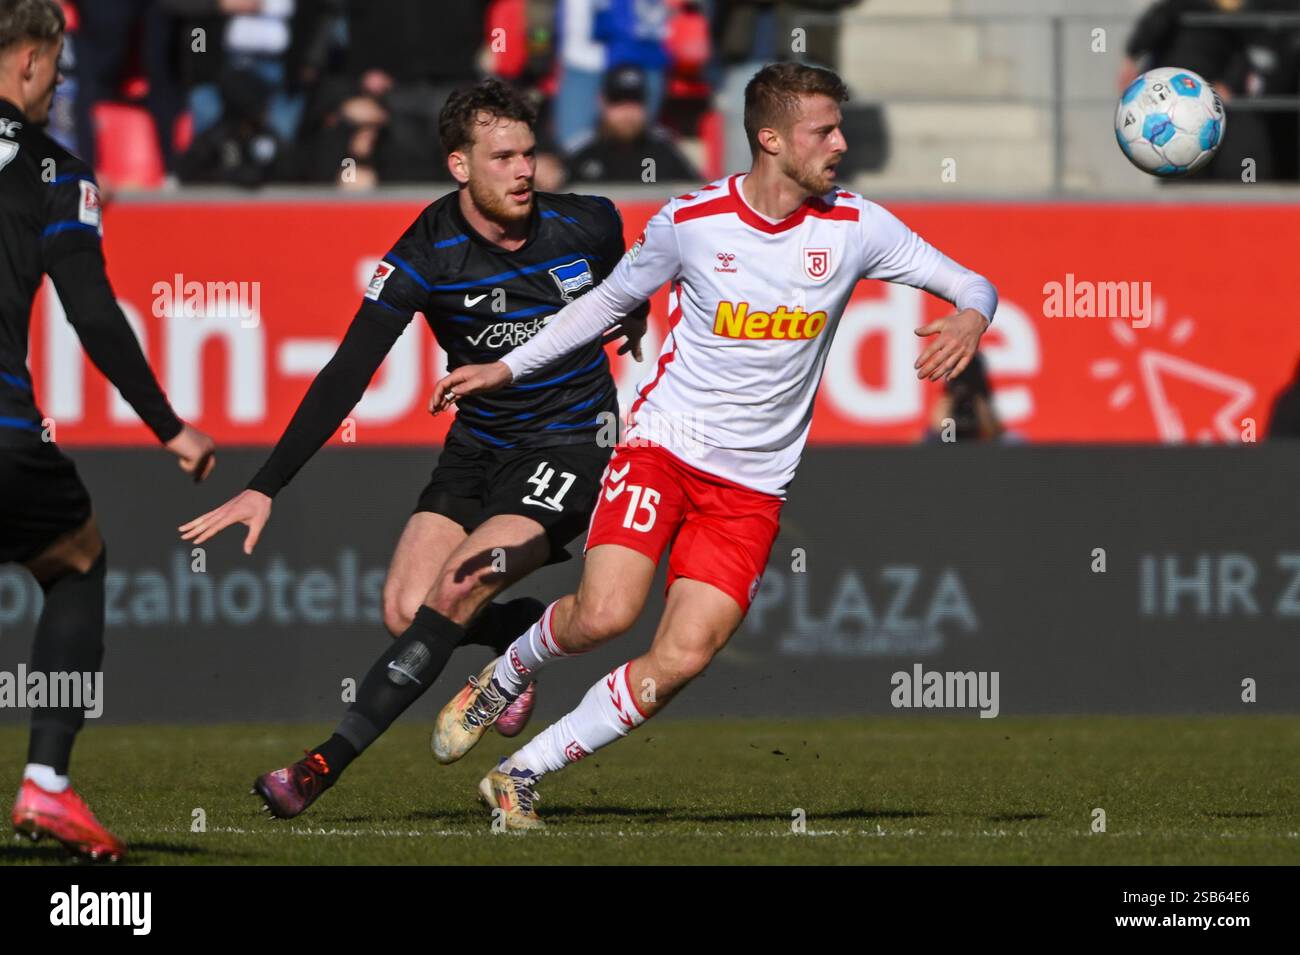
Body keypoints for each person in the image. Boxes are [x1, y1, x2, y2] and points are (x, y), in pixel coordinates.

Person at [427, 61, 997, 828]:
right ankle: (509, 671)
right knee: (604, 614)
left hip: (753, 487)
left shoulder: (858, 225)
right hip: (664, 448)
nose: (839, 143)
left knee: (681, 660)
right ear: (770, 138)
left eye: (839, 127)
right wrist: (503, 366)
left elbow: (973, 283)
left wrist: (970, 316)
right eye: (822, 129)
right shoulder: (691, 224)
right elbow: (602, 306)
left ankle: (522, 771)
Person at [178, 78, 648, 819]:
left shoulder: (585, 224)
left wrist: (637, 318)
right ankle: (520, 646)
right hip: (478, 446)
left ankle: (320, 766)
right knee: (405, 607)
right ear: (460, 166)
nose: (524, 170)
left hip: (571, 442)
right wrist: (265, 484)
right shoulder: (428, 252)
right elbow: (345, 375)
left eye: (529, 152)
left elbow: (629, 278)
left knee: (457, 586)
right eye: (503, 157)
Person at [0, 0, 215, 861]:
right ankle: (47, 782)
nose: (57, 84)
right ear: (25, 63)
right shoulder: (54, 172)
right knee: (77, 557)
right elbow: (94, 313)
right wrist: (171, 426)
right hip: (7, 432)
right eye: (53, 66)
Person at [565, 63, 698, 184]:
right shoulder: (582, 155)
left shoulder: (664, 152)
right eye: (618, 102)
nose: (627, 113)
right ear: (602, 103)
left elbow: (696, 197)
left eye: (635, 102)